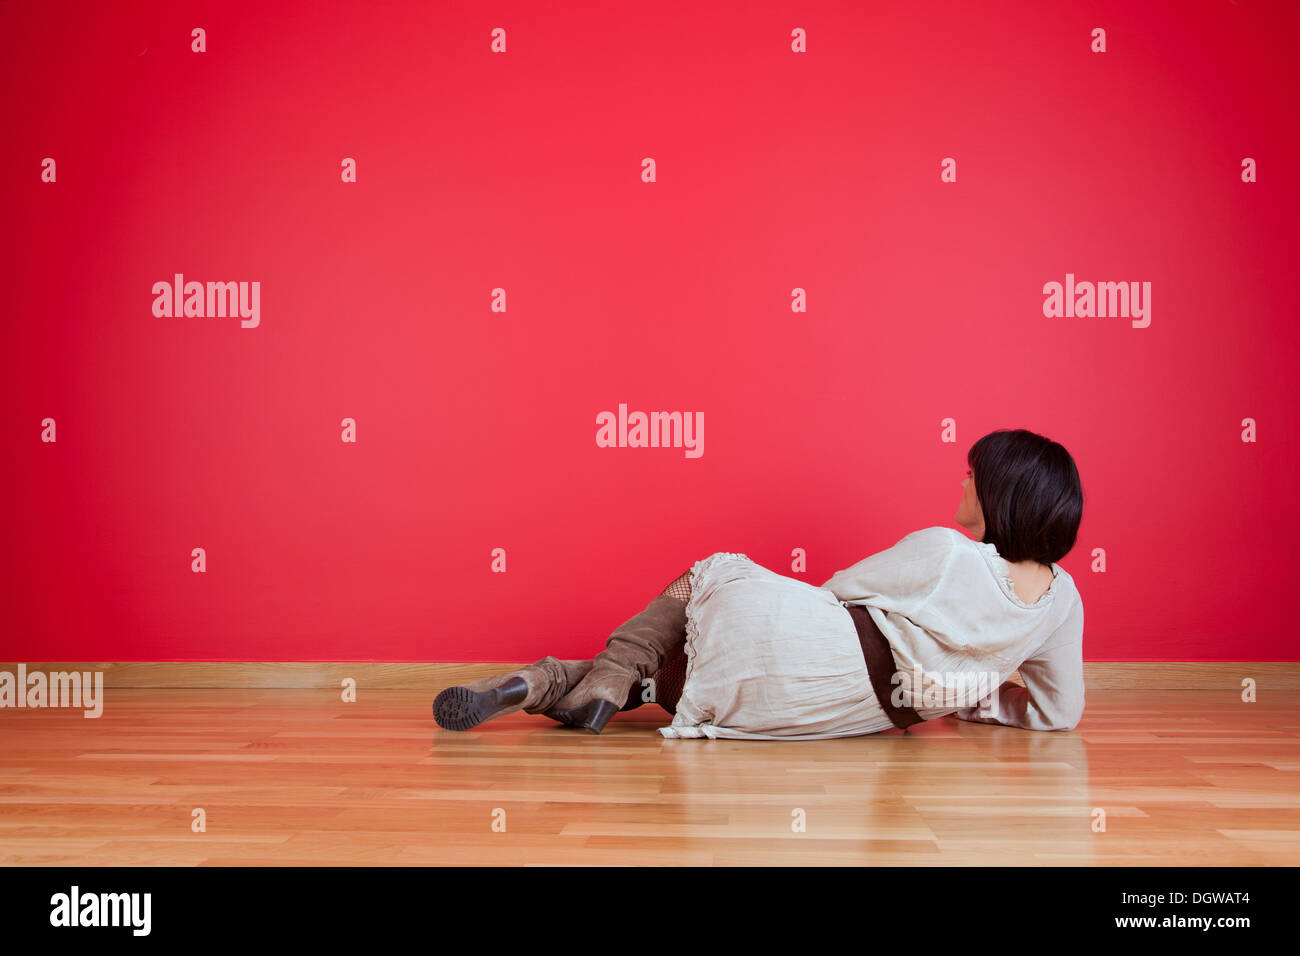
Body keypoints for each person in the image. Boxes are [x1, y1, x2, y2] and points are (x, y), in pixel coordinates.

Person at [433, 428, 1086, 738]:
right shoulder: (1061, 605)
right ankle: (560, 681)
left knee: (713, 571)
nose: (963, 483)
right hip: (824, 716)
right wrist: (968, 699)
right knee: (667, 682)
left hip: (806, 638)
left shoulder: (946, 553)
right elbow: (1060, 713)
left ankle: (592, 673)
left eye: (972, 474)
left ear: (1002, 493)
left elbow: (834, 593)